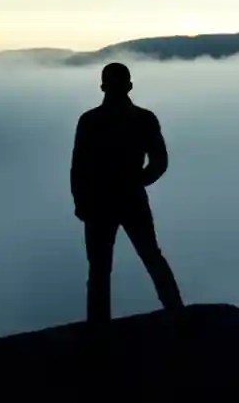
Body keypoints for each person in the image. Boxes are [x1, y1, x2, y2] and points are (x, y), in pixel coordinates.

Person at [71, 62, 184, 325]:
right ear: (129, 86)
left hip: (98, 201)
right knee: (151, 256)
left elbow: (78, 167)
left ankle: (98, 327)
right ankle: (177, 312)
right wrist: (138, 181)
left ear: (102, 86)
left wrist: (81, 201)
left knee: (99, 268)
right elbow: (159, 162)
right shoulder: (144, 118)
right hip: (131, 198)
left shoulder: (90, 120)